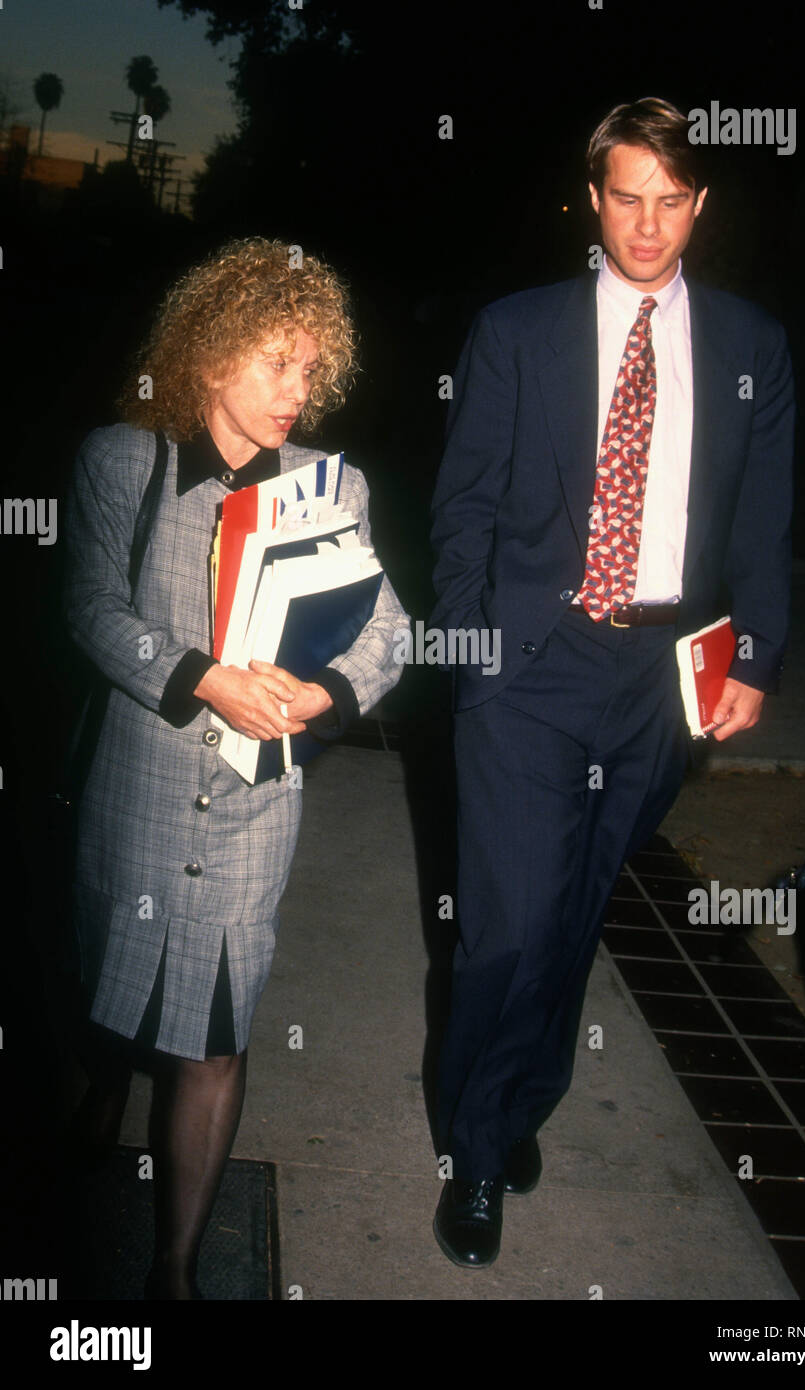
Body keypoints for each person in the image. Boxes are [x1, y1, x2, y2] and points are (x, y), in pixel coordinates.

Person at [429, 97, 795, 1267]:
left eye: (671, 199)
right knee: (505, 924)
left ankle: (521, 1095)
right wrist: (472, 654)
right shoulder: (516, 331)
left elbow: (764, 522)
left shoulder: (750, 346)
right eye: (626, 195)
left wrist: (756, 656)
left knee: (578, 910)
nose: (648, 223)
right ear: (592, 200)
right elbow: (463, 510)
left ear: (701, 205)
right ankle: (474, 1148)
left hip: (657, 678)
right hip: (529, 668)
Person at [63, 237, 408, 1298]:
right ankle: (68, 1203)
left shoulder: (326, 485)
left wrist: (327, 694)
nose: (295, 392)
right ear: (211, 358)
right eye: (274, 363)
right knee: (109, 1024)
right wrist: (205, 678)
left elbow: (389, 628)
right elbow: (90, 612)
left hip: (255, 807)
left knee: (213, 1037)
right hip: (138, 793)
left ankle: (174, 1269)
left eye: (310, 368)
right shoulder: (126, 459)